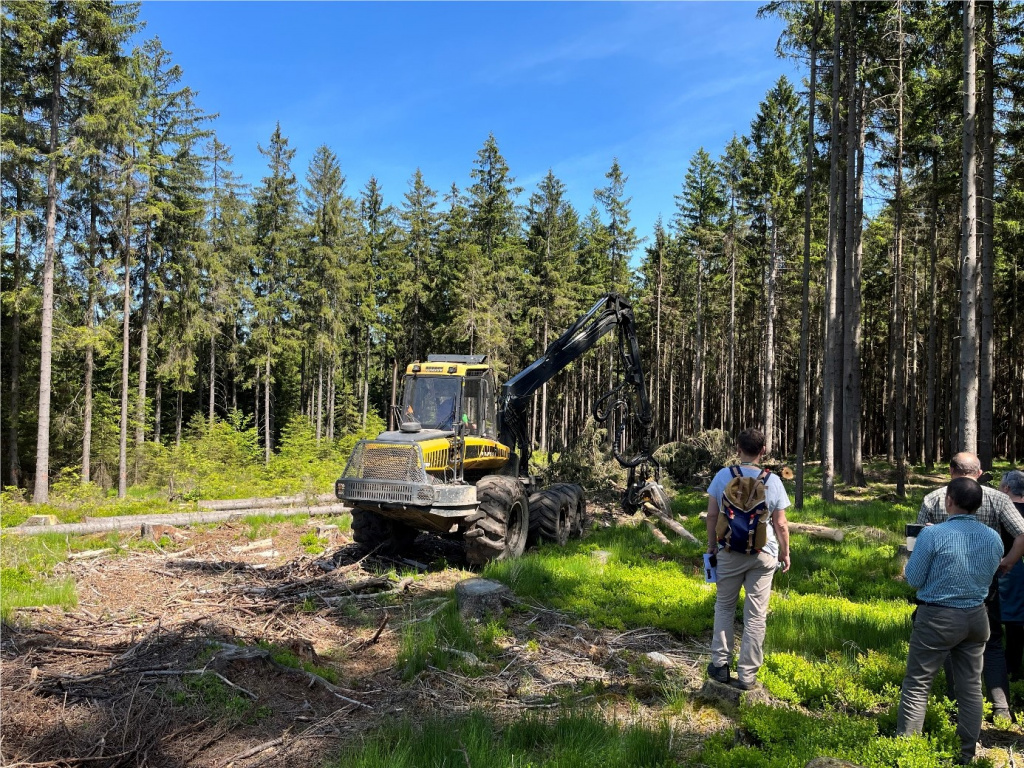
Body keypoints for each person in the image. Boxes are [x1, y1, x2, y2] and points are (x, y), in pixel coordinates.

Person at [898, 477, 1004, 765]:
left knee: (918, 683)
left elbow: (915, 579)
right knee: (970, 687)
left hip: (938, 617)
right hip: (977, 617)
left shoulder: (932, 536)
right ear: (979, 504)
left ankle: (907, 751)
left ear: (949, 501)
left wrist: (919, 549)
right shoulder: (993, 537)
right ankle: (966, 753)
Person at [917, 452, 1024, 720]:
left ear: (951, 471)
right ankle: (1001, 707)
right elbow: (1022, 532)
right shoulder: (998, 498)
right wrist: (1008, 561)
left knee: (953, 649)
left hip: (942, 590)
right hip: (985, 585)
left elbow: (916, 541)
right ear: (979, 472)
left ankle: (956, 707)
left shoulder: (934, 498)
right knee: (994, 643)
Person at [705, 427, 791, 690]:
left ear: (738, 449)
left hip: (729, 551)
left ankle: (720, 666)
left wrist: (712, 548)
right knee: (755, 616)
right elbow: (781, 524)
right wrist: (785, 553)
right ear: (762, 451)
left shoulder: (723, 476)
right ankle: (747, 676)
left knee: (724, 607)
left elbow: (711, 516)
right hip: (763, 554)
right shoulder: (773, 481)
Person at [999, 470, 1024, 680]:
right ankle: (1015, 667)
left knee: (1003, 618)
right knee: (1017, 622)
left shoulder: (1002, 512)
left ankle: (1005, 668)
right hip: (1017, 567)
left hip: (1007, 568)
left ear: (1007, 488)